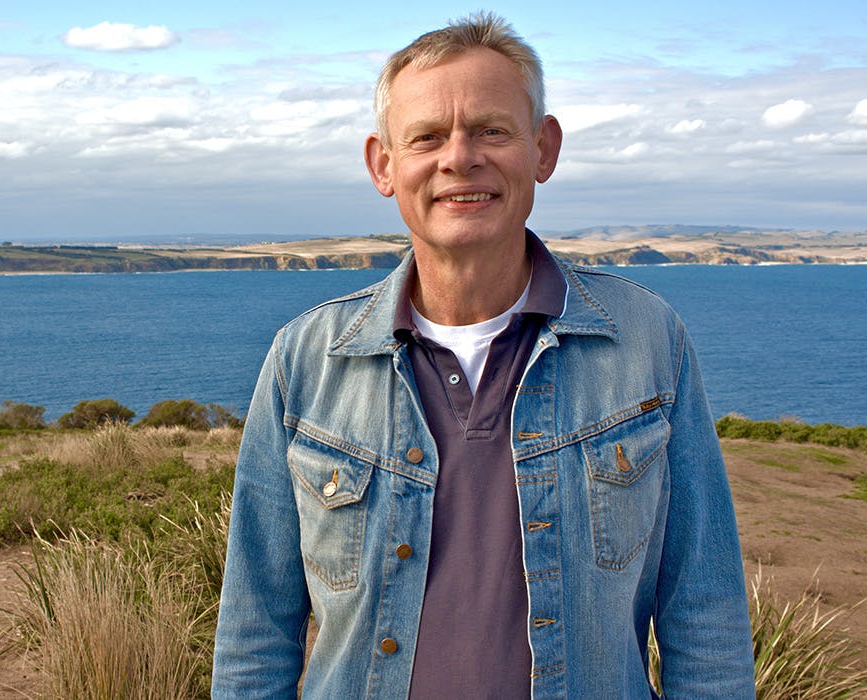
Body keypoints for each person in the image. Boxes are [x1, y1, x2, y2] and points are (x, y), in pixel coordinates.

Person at [212, 11, 754, 699]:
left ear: (542, 148)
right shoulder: (307, 360)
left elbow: (705, 619)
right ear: (384, 164)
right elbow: (255, 634)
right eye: (427, 137)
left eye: (491, 130)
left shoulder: (647, 340)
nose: (459, 158)